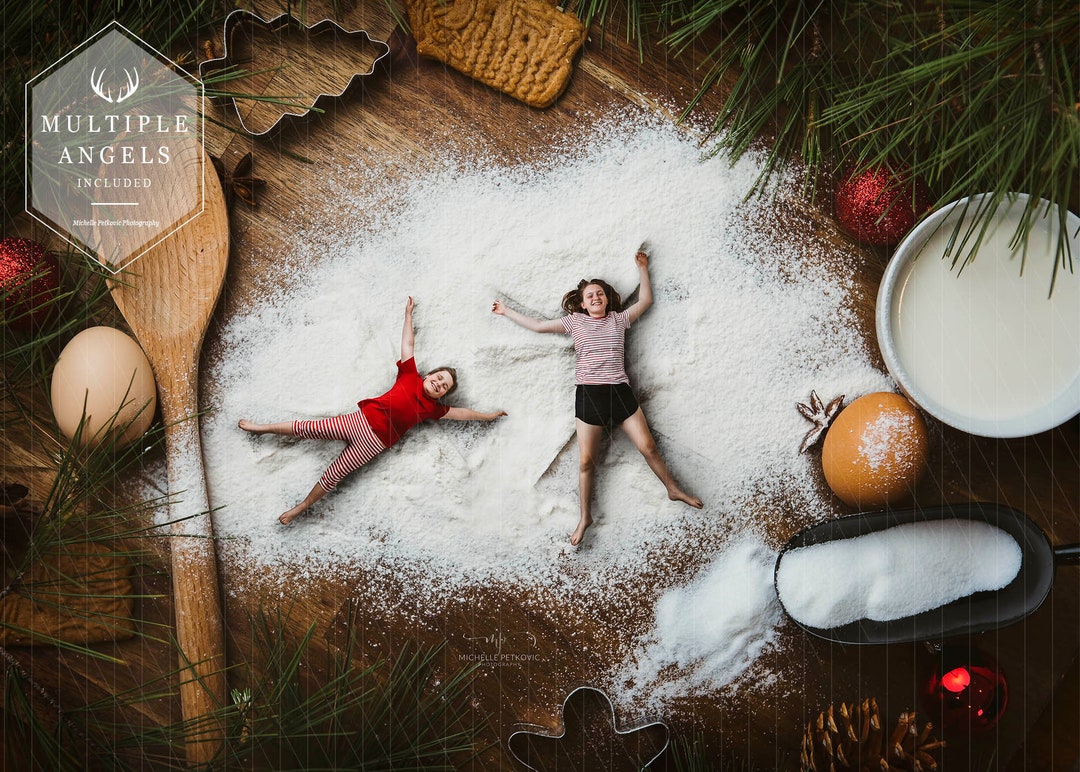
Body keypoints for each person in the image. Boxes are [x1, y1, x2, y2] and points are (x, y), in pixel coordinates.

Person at [492, 247, 702, 546]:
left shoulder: (618, 320)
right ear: (581, 303)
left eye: (600, 293)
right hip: (589, 396)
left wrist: (642, 268)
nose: (595, 298)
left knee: (648, 447)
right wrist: (506, 311)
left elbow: (646, 301)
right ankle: (585, 516)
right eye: (590, 295)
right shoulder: (574, 323)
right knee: (586, 463)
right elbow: (539, 326)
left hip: (620, 393)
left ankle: (672, 488)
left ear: (607, 298)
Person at [240, 296, 507, 525]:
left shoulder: (431, 410)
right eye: (438, 378)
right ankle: (261, 428)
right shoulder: (409, 375)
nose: (439, 384)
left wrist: (488, 416)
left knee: (334, 474)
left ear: (443, 395)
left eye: (444, 387)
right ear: (428, 375)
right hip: (358, 421)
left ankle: (300, 507)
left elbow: (463, 414)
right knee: (306, 428)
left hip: (374, 444)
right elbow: (408, 345)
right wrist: (407, 314)